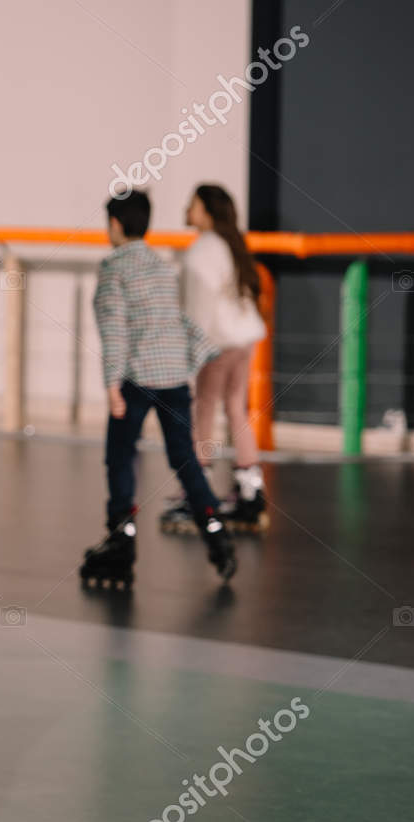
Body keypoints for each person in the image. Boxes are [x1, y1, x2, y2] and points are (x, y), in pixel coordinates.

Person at [80, 189, 236, 590]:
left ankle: (121, 540)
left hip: (136, 379)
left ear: (114, 225)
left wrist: (112, 384)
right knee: (184, 457)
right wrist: (198, 355)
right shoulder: (163, 265)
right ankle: (216, 530)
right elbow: (178, 319)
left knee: (120, 457)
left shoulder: (115, 269)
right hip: (173, 378)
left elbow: (115, 329)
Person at [169, 183, 269, 532]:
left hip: (219, 342)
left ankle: (198, 494)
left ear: (207, 212)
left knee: (205, 410)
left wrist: (190, 352)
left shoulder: (201, 252)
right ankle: (250, 491)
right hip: (244, 337)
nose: (187, 209)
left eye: (193, 204)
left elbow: (197, 312)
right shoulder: (231, 244)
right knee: (235, 407)